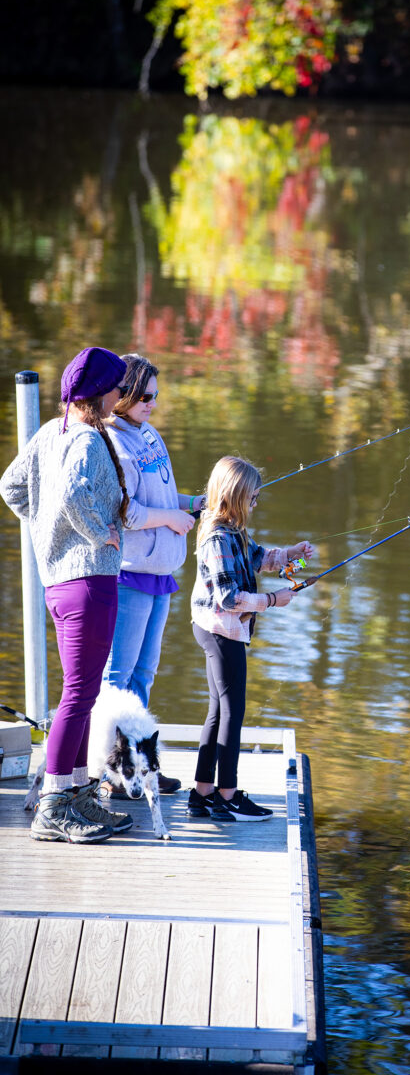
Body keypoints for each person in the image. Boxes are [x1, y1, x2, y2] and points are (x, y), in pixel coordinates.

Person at [0, 346, 134, 843]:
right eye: (117, 388)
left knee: (83, 692)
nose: (121, 395)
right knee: (79, 694)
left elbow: (11, 488)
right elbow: (75, 494)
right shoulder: (88, 440)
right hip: (88, 582)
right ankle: (53, 806)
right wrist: (100, 533)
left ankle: (77, 794)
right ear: (98, 394)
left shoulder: (47, 434)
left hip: (59, 583)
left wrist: (45, 529)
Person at [187, 455, 314, 822]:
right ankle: (227, 796)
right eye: (253, 497)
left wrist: (293, 555)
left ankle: (202, 794)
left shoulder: (233, 530)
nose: (256, 503)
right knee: (232, 712)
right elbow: (229, 599)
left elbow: (259, 558)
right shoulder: (217, 538)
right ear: (236, 496)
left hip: (219, 629)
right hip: (221, 631)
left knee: (218, 711)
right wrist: (272, 600)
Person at [100, 353, 203, 794]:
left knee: (144, 675)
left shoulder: (149, 434)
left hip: (161, 575)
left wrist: (192, 504)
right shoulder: (114, 443)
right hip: (131, 575)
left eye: (155, 396)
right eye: (144, 397)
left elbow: (161, 498)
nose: (152, 404)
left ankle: (140, 766)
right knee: (118, 679)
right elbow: (128, 513)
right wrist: (171, 519)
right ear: (122, 395)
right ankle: (108, 771)